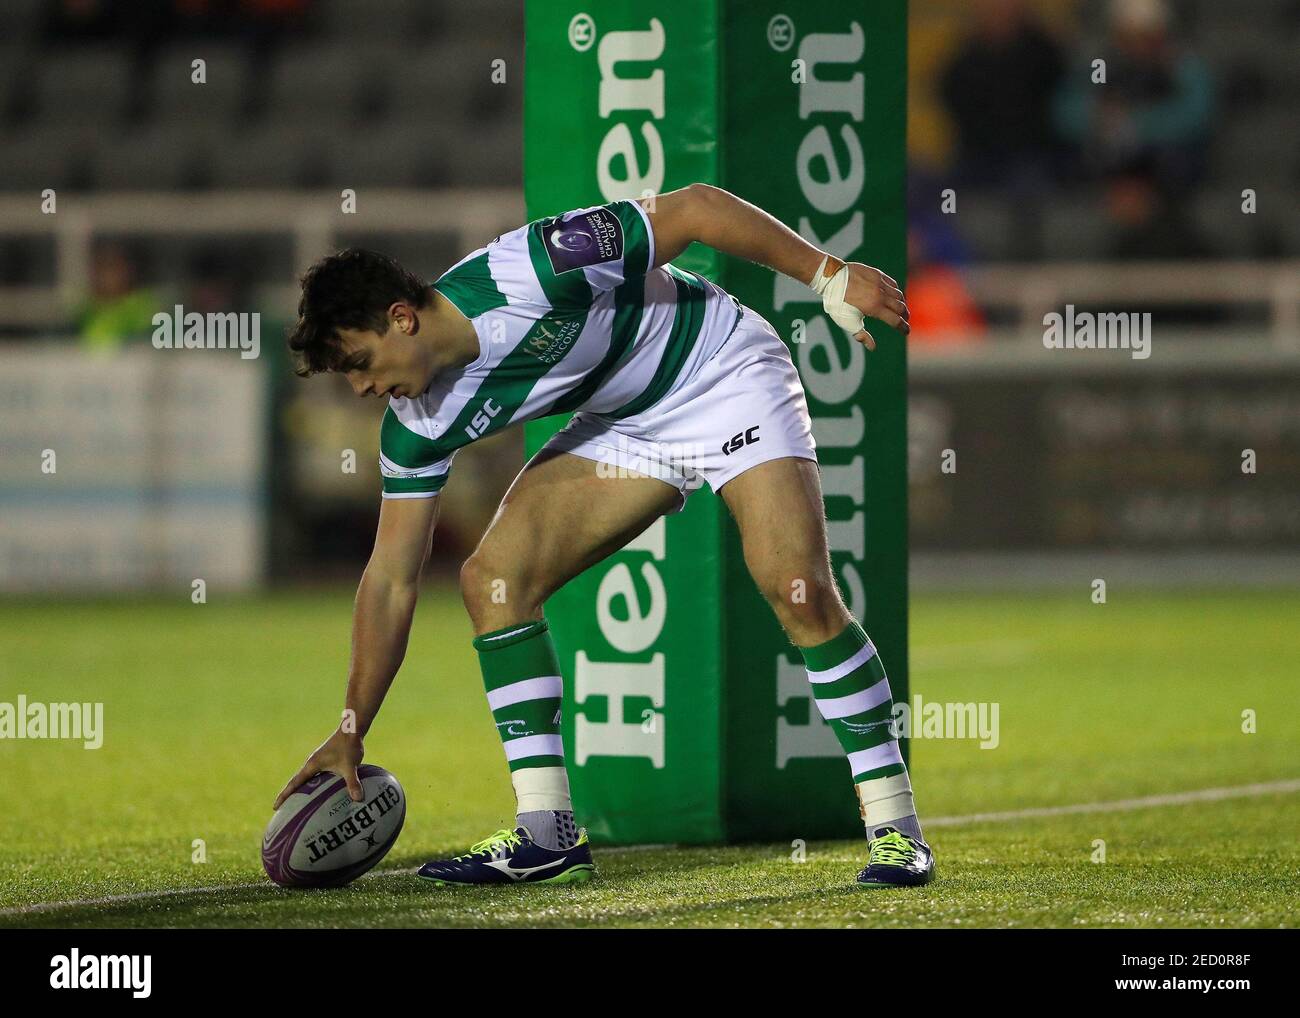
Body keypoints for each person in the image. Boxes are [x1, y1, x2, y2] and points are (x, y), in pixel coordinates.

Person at [274, 184, 933, 888]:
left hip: (721, 371)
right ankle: (546, 834)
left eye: (360, 364)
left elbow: (699, 209)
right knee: (493, 581)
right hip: (627, 427)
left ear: (401, 318)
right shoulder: (416, 426)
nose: (362, 389)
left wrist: (828, 274)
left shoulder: (530, 269)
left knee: (797, 591)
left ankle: (896, 828)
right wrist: (352, 724)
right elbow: (390, 578)